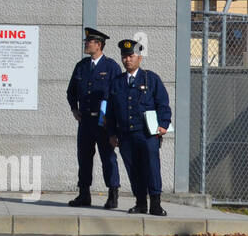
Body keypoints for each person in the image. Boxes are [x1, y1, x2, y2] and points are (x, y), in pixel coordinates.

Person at [104, 37, 172, 217]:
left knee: (151, 167)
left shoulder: (151, 79)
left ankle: (155, 204)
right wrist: (111, 133)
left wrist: (164, 124)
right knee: (133, 169)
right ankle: (140, 203)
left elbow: (163, 104)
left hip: (147, 134)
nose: (127, 59)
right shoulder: (117, 82)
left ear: (139, 58)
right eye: (124, 56)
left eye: (131, 56)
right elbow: (110, 111)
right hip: (125, 135)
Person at [65, 27, 124, 209]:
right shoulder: (81, 66)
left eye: (89, 42)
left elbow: (117, 94)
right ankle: (84, 194)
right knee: (84, 157)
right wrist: (74, 108)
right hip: (86, 122)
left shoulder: (111, 66)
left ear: (98, 45)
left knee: (108, 157)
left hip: (104, 122)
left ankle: (113, 194)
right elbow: (71, 91)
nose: (86, 44)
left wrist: (112, 119)